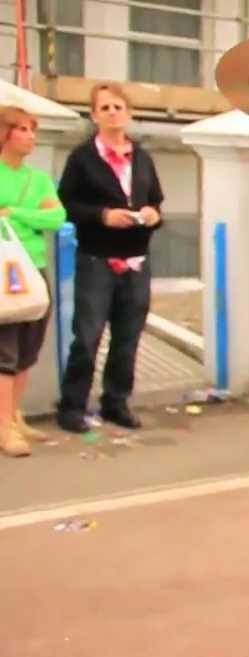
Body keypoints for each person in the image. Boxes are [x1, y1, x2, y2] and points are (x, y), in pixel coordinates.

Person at [55, 82, 164, 433]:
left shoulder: (143, 157)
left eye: (118, 106)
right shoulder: (82, 158)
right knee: (87, 336)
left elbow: (156, 201)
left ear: (129, 113)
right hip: (97, 258)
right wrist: (102, 216)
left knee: (128, 337)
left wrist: (151, 214)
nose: (112, 113)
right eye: (105, 108)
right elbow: (66, 205)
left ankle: (116, 402)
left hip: (136, 261)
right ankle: (72, 406)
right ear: (94, 116)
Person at [0, 106, 65, 457]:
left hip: (34, 268)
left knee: (27, 349)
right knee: (4, 352)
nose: (30, 136)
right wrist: (30, 218)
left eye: (32, 129)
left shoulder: (38, 178)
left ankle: (12, 415)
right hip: (3, 271)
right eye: (22, 129)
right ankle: (4, 429)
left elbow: (56, 216)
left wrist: (14, 213)